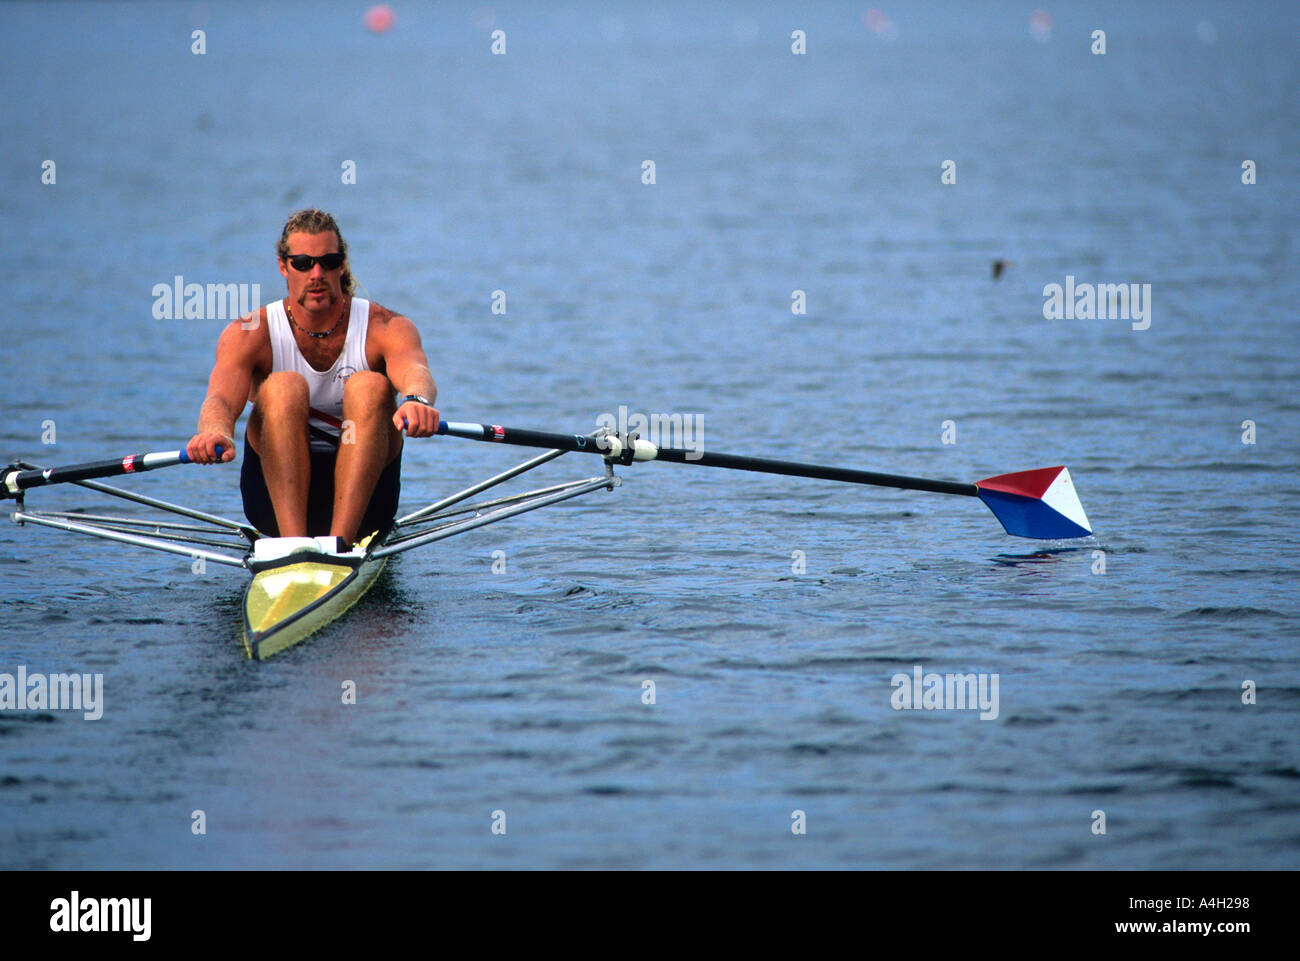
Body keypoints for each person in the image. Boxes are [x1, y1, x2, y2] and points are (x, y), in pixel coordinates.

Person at [186, 209, 439, 545]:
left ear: (343, 264)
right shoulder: (249, 333)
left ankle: (339, 544)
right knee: (282, 387)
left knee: (369, 385)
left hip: (368, 501)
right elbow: (219, 399)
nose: (316, 273)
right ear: (283, 265)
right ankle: (295, 546)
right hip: (274, 498)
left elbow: (414, 369)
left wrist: (416, 400)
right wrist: (215, 433)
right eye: (303, 263)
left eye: (329, 261)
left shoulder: (385, 326)